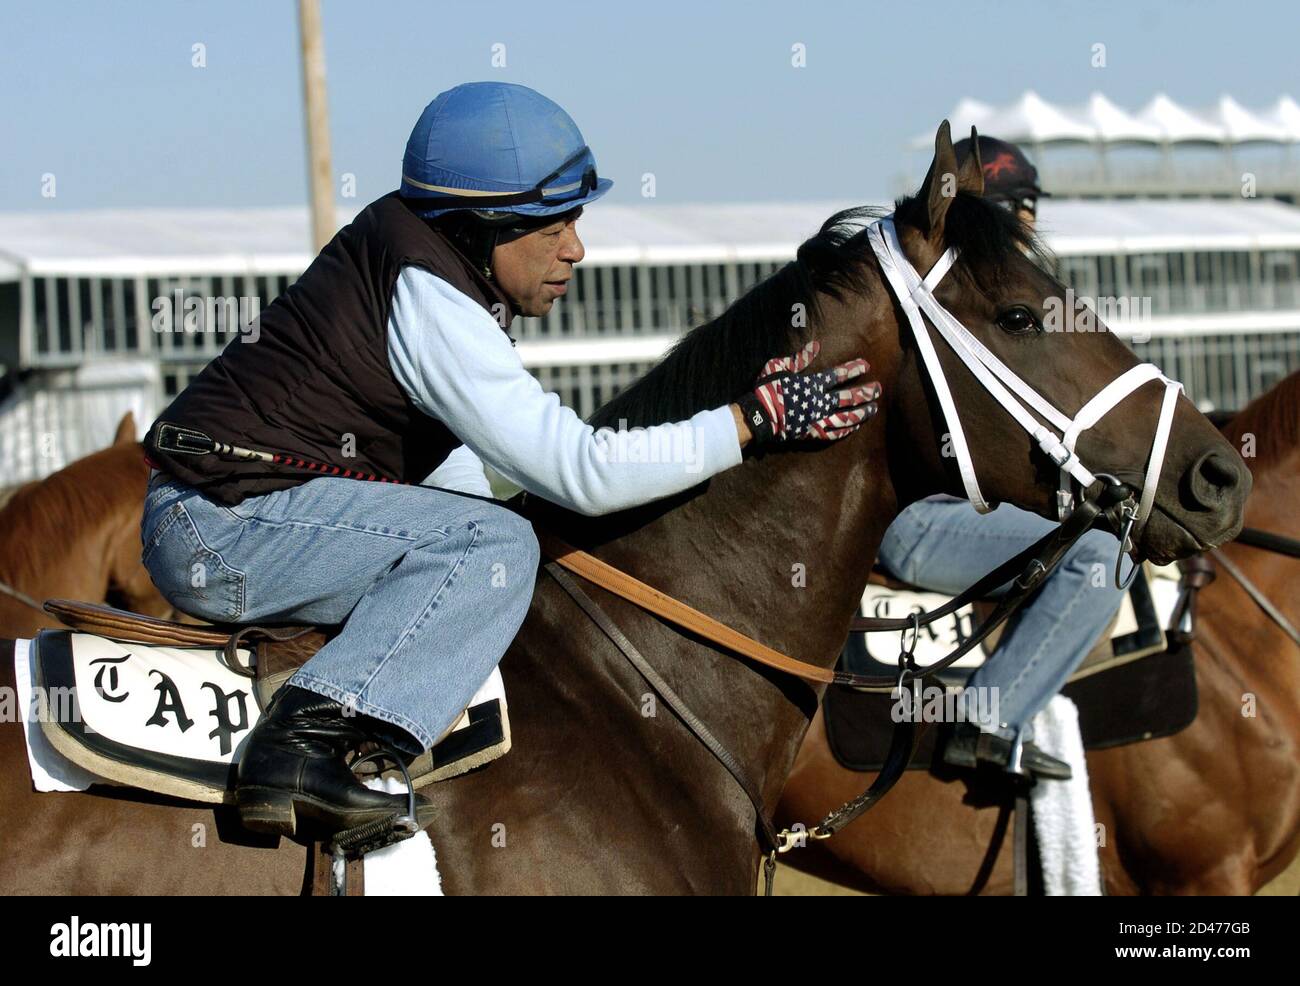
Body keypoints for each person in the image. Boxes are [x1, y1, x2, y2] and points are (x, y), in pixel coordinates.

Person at [139, 82, 882, 840]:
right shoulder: (432, 299)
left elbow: (449, 467)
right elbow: (581, 472)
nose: (576, 247)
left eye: (577, 219)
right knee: (497, 546)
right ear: (475, 228)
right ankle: (299, 749)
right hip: (218, 530)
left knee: (490, 537)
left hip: (242, 513)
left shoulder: (429, 268)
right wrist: (754, 420)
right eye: (551, 222)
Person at [877, 135, 1125, 782]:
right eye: (1021, 210)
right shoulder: (957, 313)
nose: (1029, 228)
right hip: (920, 520)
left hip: (953, 513)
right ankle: (988, 722)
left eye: (1029, 210)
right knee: (1102, 557)